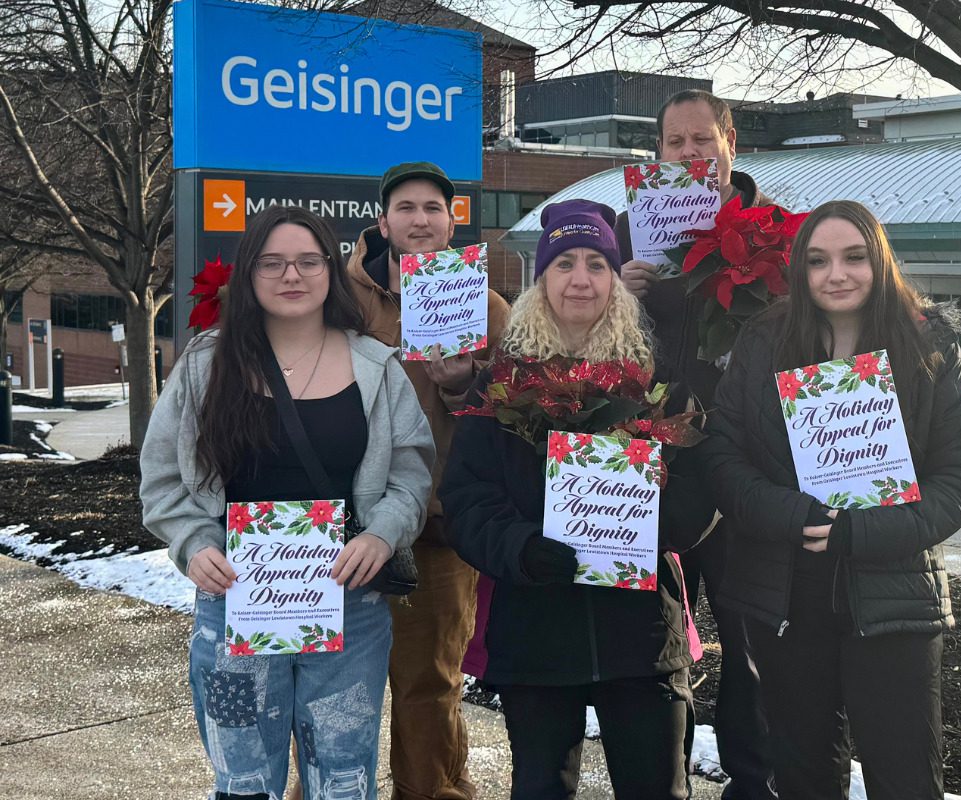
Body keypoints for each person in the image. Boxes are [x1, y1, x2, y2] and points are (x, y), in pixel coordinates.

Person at [140, 205, 436, 800]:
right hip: (235, 604)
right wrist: (194, 544)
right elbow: (163, 478)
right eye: (272, 263)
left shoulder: (375, 366)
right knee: (243, 779)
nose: (291, 275)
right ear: (249, 272)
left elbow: (411, 475)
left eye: (308, 261)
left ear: (330, 268)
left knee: (343, 779)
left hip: (349, 606)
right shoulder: (205, 365)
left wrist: (381, 534)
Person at [704, 200, 961, 799]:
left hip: (894, 593)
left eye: (854, 257)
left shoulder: (928, 342)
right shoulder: (763, 341)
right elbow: (723, 458)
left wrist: (864, 531)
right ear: (799, 269)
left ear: (879, 260)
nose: (836, 274)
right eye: (817, 260)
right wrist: (794, 516)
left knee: (907, 781)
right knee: (803, 778)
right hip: (785, 596)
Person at [438, 199, 716, 799]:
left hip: (641, 634)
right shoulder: (501, 383)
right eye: (564, 264)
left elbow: (701, 486)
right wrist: (521, 548)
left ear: (616, 279)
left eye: (596, 264)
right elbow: (467, 497)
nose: (581, 279)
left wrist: (647, 525)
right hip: (536, 631)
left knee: (657, 790)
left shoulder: (656, 377)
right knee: (541, 789)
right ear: (541, 280)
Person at [616, 88, 776, 800]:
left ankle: (753, 784)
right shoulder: (627, 230)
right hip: (651, 472)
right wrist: (619, 293)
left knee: (750, 642)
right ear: (657, 152)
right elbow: (580, 328)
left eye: (702, 140)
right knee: (656, 646)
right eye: (674, 143)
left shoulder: (772, 232)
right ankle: (664, 783)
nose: (688, 155)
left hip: (745, 471)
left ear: (730, 144)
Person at [345, 161, 510, 800]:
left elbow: (511, 420)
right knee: (333, 687)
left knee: (430, 685)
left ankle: (433, 792)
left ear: (451, 220)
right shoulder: (336, 295)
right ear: (383, 222)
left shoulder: (485, 307)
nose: (420, 220)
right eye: (406, 208)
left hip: (438, 526)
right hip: (339, 528)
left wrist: (466, 385)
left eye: (433, 208)